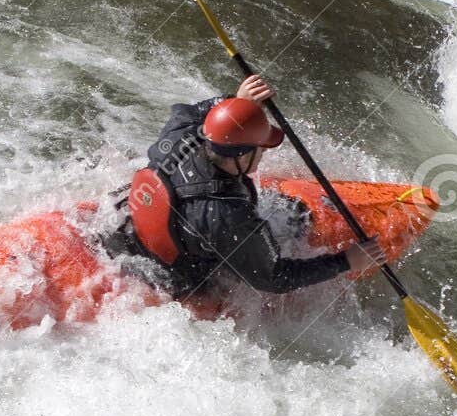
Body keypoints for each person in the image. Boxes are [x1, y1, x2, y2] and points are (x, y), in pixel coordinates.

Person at [102, 75, 387, 300]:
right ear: (240, 155)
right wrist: (345, 261)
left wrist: (237, 103)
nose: (263, 153)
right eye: (259, 149)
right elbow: (273, 279)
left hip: (130, 229)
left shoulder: (183, 133)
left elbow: (189, 110)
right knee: (292, 218)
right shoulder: (225, 213)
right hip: (172, 272)